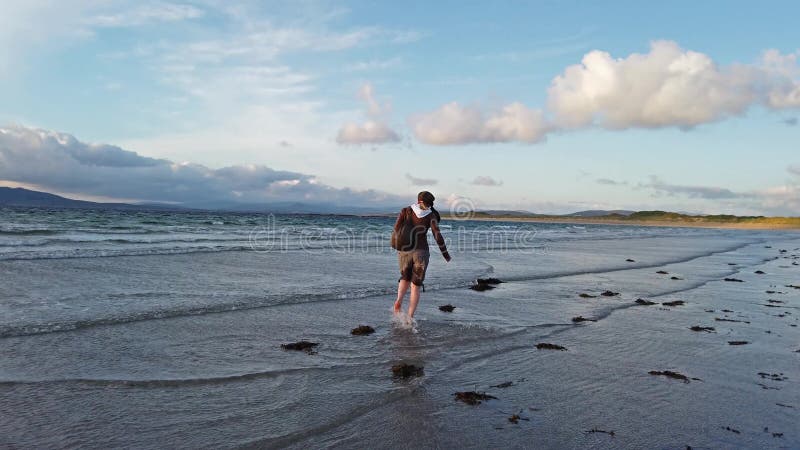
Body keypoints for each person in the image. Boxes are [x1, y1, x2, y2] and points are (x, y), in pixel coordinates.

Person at [393, 191, 451, 319]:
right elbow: (437, 236)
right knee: (415, 285)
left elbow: (396, 229)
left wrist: (397, 245)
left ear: (418, 200)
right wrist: (445, 254)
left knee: (405, 277)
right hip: (421, 252)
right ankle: (410, 317)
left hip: (405, 250)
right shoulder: (431, 216)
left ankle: (398, 301)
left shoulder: (406, 210)